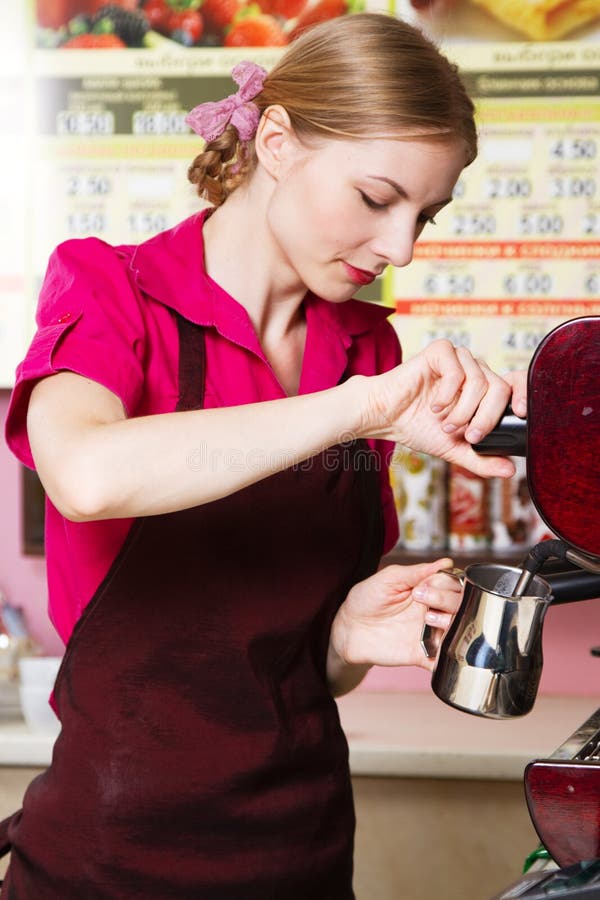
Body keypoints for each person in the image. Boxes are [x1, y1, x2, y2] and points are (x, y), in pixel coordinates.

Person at [1, 13, 525, 899]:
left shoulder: (366, 348)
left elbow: (290, 667)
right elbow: (86, 476)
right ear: (277, 143)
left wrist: (349, 635)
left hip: (304, 856)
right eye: (375, 198)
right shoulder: (113, 290)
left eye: (424, 216)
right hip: (108, 862)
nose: (400, 249)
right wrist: (362, 411)